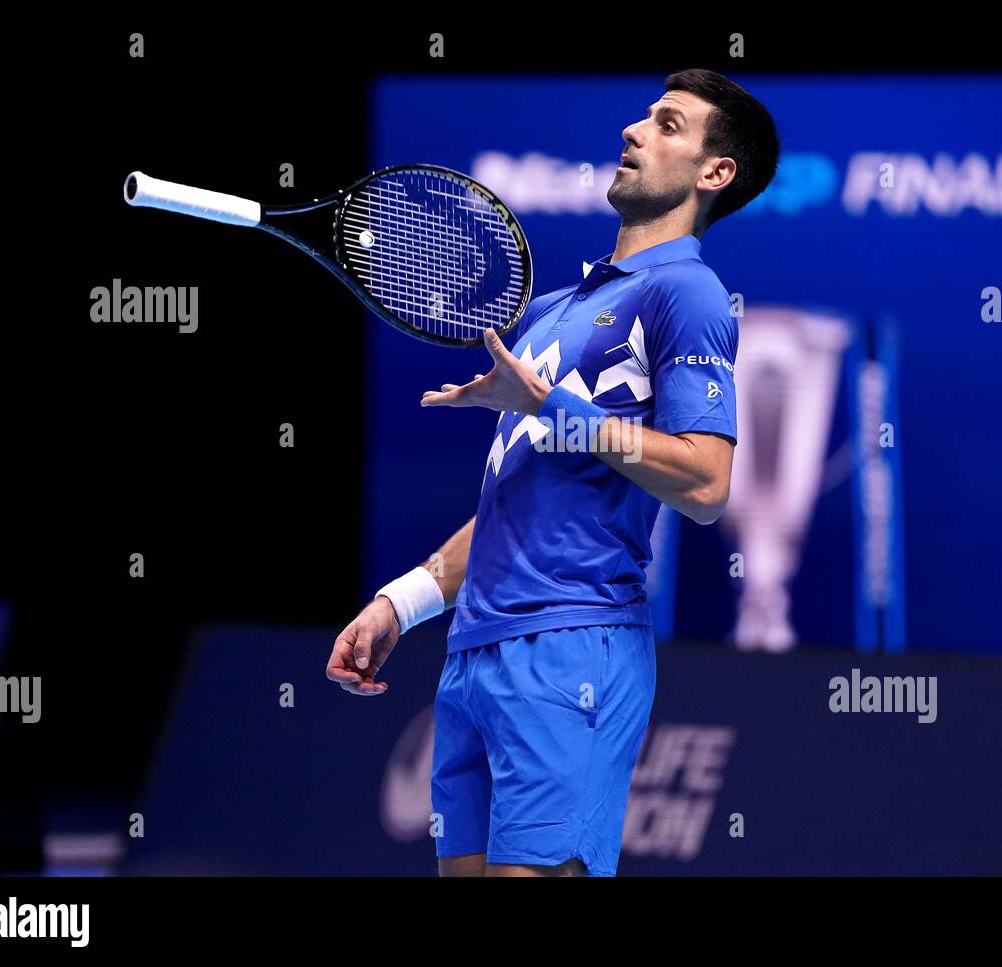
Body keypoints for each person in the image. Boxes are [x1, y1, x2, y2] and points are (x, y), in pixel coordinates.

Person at [327, 68, 779, 876]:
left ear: (716, 173)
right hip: (474, 653)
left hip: (573, 648)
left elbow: (709, 485)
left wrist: (550, 407)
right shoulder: (548, 314)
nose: (634, 132)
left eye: (668, 125)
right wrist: (400, 603)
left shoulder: (689, 294)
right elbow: (512, 510)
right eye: (644, 118)